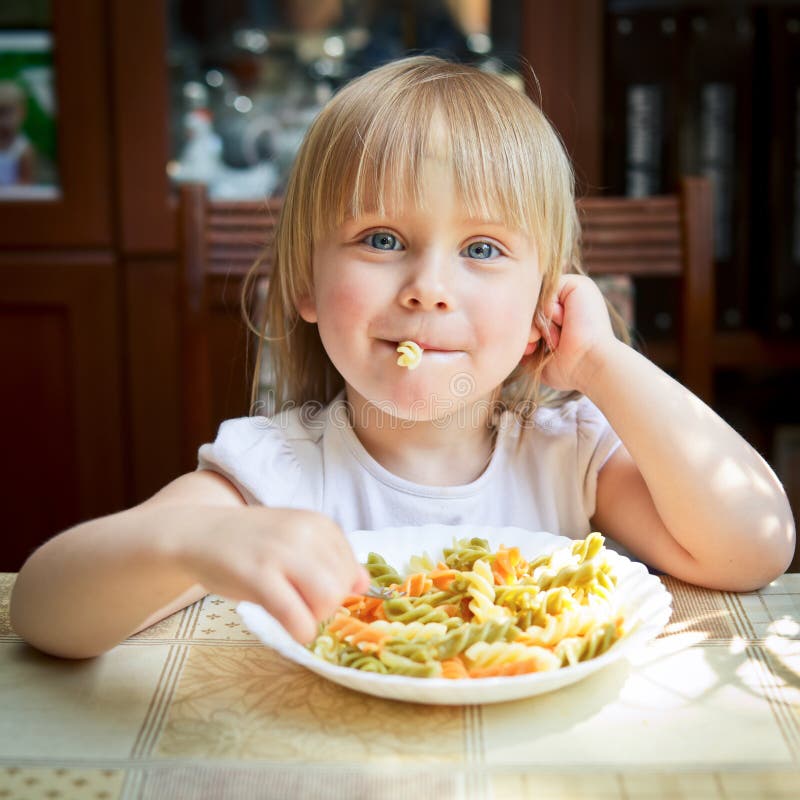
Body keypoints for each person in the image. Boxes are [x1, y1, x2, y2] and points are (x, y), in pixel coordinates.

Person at [10, 56, 795, 659]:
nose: (428, 288)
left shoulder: (568, 455)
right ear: (306, 285)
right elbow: (44, 610)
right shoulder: (274, 473)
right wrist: (194, 544)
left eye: (483, 249)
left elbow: (754, 547)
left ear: (542, 306)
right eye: (381, 240)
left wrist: (604, 362)